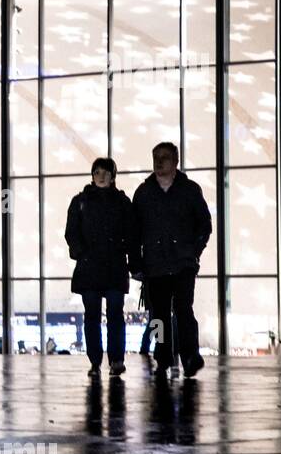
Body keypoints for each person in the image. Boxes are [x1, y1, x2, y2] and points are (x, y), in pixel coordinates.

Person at [131, 142, 212, 378]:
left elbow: (204, 225)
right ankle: (163, 355)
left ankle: (189, 355)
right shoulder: (144, 193)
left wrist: (193, 251)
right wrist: (136, 263)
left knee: (183, 309)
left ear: (175, 161)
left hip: (182, 263)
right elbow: (134, 231)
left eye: (164, 157)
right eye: (155, 157)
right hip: (155, 265)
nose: (159, 161)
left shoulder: (189, 190)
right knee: (159, 314)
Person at [64, 157, 136, 378]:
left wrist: (81, 252)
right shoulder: (91, 202)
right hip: (101, 266)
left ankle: (107, 360)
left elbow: (132, 233)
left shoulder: (85, 201)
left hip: (100, 266)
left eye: (105, 172)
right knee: (102, 315)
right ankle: (105, 360)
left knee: (103, 315)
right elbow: (71, 233)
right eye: (98, 172)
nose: (101, 176)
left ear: (112, 176)